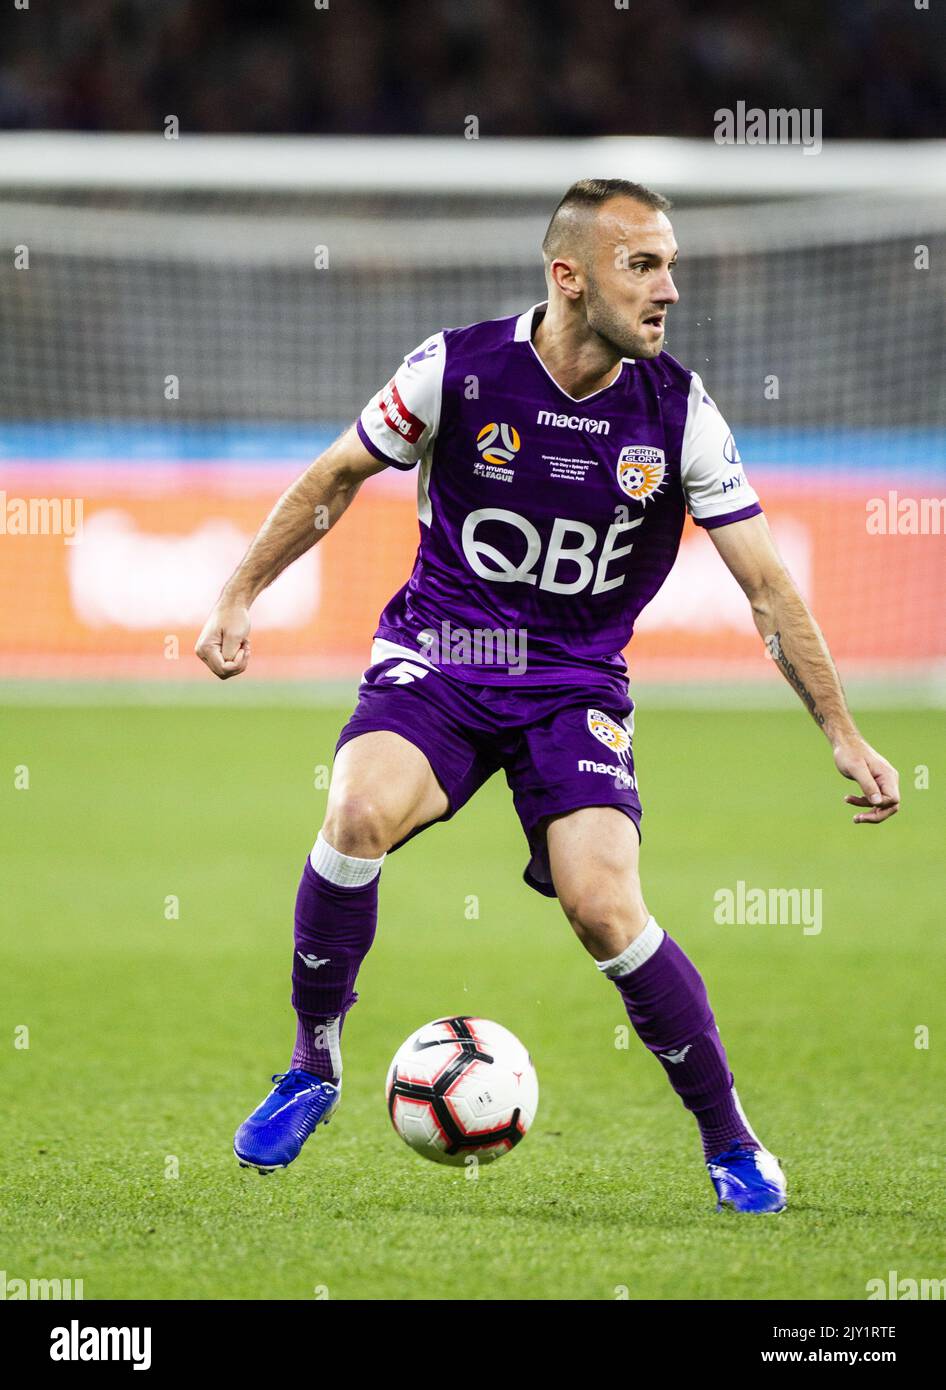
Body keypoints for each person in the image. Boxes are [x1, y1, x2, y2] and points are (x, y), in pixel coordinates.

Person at [196, 178, 900, 1212]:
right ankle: (311, 1061)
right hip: (441, 652)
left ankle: (729, 1135)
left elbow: (765, 585)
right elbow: (338, 476)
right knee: (351, 815)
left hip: (573, 681)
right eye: (643, 265)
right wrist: (239, 593)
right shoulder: (457, 369)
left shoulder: (678, 411)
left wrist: (840, 729)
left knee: (604, 906)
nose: (668, 289)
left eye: (670, 264)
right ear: (569, 277)